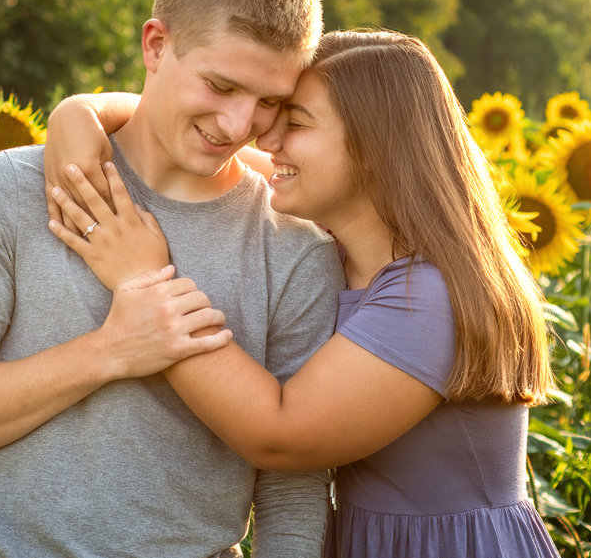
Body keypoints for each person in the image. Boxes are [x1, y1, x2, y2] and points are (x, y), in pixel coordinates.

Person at [0, 0, 345, 557]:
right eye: (220, 86)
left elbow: (292, 484)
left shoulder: (296, 246)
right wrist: (112, 350)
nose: (239, 125)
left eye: (270, 100)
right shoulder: (13, 189)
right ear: (157, 45)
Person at [46, 29, 561, 557]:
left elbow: (279, 434)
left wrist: (146, 282)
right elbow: (175, 128)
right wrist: (77, 113)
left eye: (295, 123)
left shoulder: (426, 297)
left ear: (373, 148)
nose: (265, 140)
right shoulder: (356, 247)